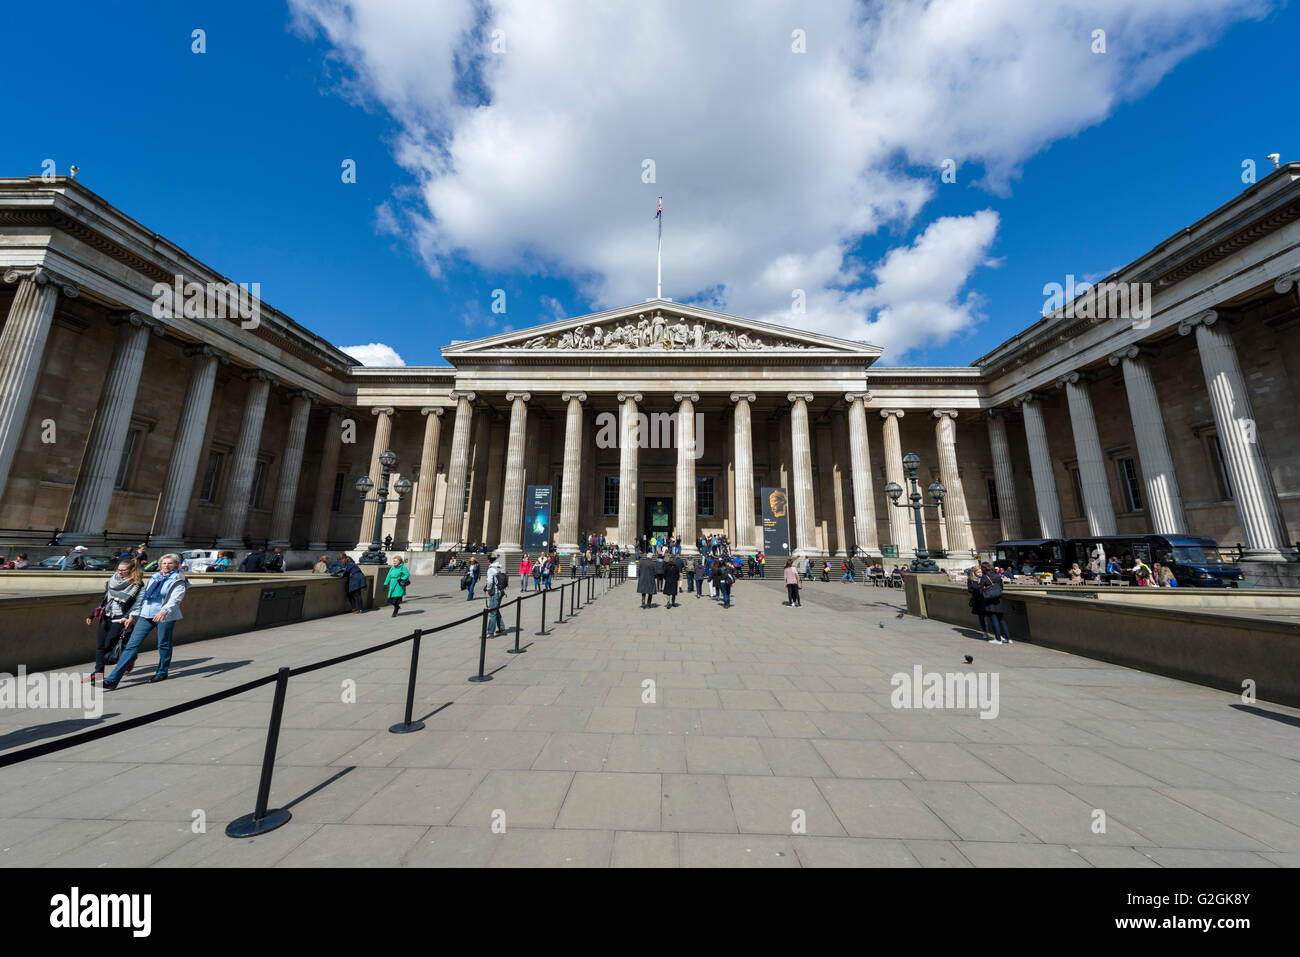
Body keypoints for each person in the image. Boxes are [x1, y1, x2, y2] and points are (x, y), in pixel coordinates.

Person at [102, 553, 188, 689]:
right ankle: (112, 679)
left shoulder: (178, 579)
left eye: (170, 563)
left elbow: (176, 598)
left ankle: (162, 672)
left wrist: (163, 611)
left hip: (164, 615)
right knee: (131, 646)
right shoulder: (155, 577)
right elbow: (143, 598)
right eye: (164, 563)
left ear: (176, 565)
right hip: (146, 614)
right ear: (160, 564)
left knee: (163, 644)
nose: (166, 565)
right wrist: (132, 616)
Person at [84, 558, 145, 684]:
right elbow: (105, 598)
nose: (120, 572)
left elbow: (138, 604)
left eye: (123, 570)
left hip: (121, 618)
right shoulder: (112, 581)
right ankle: (98, 673)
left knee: (110, 644)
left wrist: (130, 617)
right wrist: (92, 614)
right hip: (106, 615)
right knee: (100, 646)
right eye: (118, 570)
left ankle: (130, 658)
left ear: (131, 570)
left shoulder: (137, 584)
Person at [979, 562, 1012, 644]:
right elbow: (1001, 587)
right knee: (1002, 619)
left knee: (994, 619)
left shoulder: (984, 577)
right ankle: (1008, 638)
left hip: (990, 601)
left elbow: (981, 590)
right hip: (999, 600)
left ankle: (998, 639)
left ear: (983, 569)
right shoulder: (997, 576)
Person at [485, 550, 508, 636]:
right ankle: (501, 628)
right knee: (496, 609)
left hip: (494, 592)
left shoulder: (491, 569)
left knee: (492, 612)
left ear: (489, 561)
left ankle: (490, 632)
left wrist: (488, 589)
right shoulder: (501, 567)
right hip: (501, 591)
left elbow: (490, 582)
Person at [967, 566, 988, 640]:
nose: (980, 573)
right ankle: (985, 632)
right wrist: (978, 588)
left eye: (981, 572)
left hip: (986, 599)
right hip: (978, 601)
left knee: (990, 616)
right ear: (974, 572)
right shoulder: (971, 579)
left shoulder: (985, 578)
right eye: (978, 572)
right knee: (981, 617)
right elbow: (969, 590)